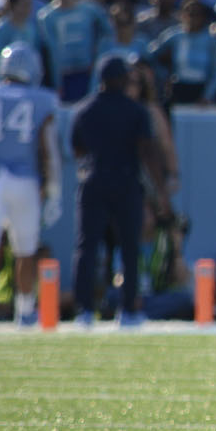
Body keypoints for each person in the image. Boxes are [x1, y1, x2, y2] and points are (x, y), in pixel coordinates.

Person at [69, 56, 172, 327]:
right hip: (126, 181)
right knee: (129, 247)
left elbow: (77, 150)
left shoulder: (85, 110)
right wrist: (161, 192)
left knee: (87, 247)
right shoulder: (135, 111)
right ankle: (127, 309)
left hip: (93, 179)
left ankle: (85, 310)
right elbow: (147, 152)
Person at [0, 44, 61, 328]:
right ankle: (24, 310)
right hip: (24, 180)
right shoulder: (42, 100)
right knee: (25, 250)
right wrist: (54, 191)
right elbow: (49, 149)